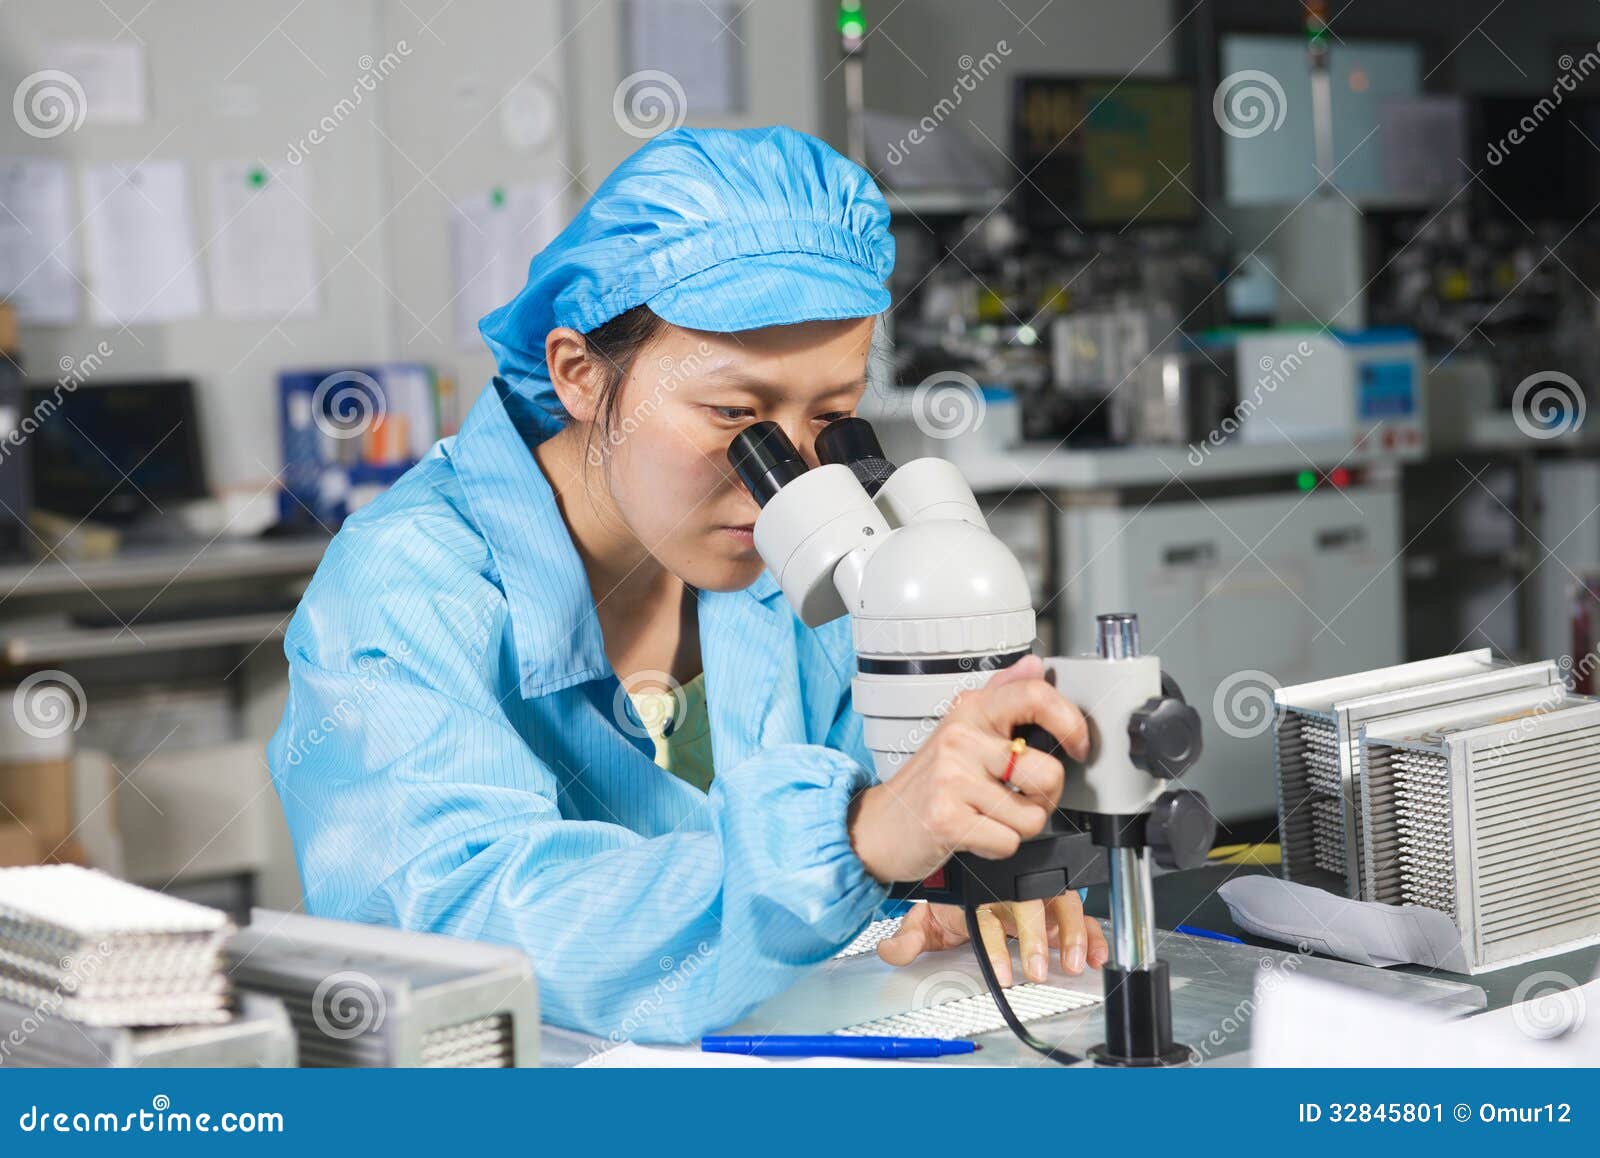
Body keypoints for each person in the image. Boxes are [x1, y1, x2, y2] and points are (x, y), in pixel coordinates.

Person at [268, 126, 1107, 1043]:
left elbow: (881, 805)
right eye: (735, 417)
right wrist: (857, 841)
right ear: (580, 375)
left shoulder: (802, 566)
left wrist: (957, 878)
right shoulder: (403, 588)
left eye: (831, 418)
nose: (782, 476)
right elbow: (471, 922)